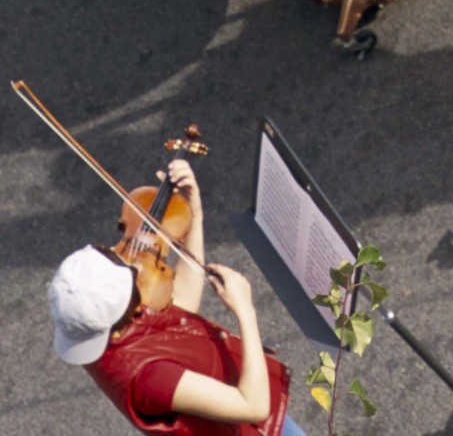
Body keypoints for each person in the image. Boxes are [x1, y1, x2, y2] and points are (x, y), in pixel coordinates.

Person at [46, 159, 302, 435]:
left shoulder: (90, 325)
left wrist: (195, 214)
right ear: (125, 317)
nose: (128, 256)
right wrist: (245, 310)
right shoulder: (150, 379)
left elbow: (182, 304)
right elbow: (253, 406)